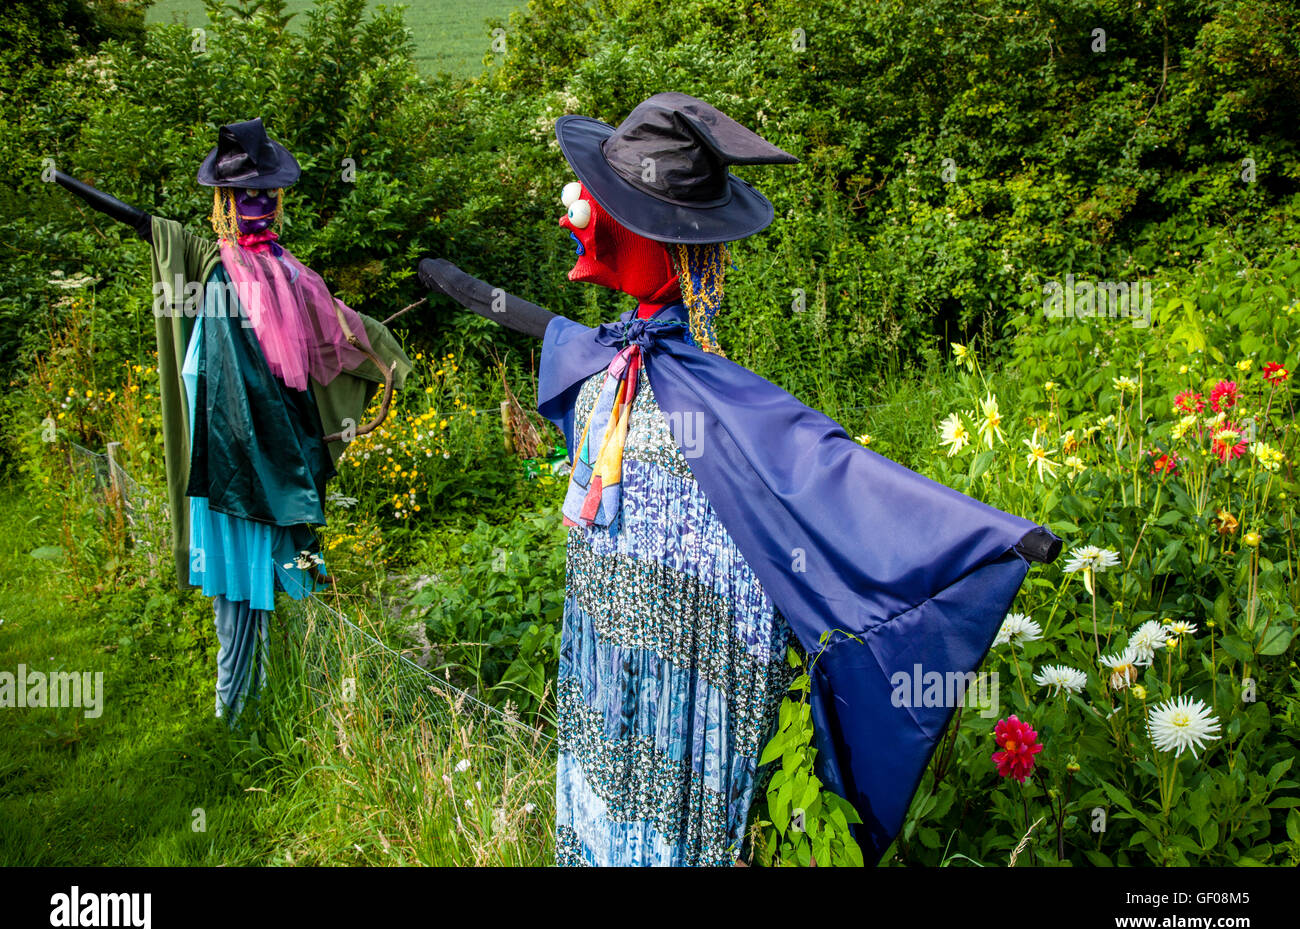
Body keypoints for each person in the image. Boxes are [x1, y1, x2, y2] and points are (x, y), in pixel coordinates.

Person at [419, 92, 1062, 866]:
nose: (575, 213)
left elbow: (834, 473)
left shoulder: (727, 408)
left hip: (692, 681)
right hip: (606, 651)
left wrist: (983, 538)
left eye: (593, 203)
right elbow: (563, 339)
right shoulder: (612, 363)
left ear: (650, 236)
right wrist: (463, 288)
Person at [53, 118, 412, 719]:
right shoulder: (216, 271)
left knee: (263, 592)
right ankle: (233, 713)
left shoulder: (290, 273)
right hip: (227, 458)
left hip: (274, 447)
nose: (259, 205)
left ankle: (261, 703)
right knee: (235, 597)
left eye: (266, 194)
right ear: (223, 201)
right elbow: (152, 235)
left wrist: (388, 359)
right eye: (246, 195)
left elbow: (339, 329)